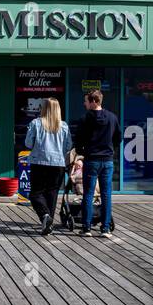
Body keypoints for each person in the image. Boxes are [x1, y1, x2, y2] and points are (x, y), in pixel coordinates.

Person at [74, 88, 118, 236]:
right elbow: (118, 138)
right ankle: (105, 228)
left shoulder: (85, 119)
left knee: (88, 193)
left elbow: (78, 140)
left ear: (93, 101)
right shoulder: (112, 118)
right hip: (107, 160)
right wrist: (110, 148)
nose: (84, 103)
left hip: (91, 160)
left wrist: (81, 152)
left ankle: (86, 228)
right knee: (106, 194)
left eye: (86, 101)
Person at [24, 97, 71, 235]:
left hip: (39, 162)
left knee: (35, 193)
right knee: (52, 192)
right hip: (58, 163)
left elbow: (28, 144)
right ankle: (48, 224)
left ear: (44, 108)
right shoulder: (64, 126)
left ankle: (45, 216)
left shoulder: (35, 123)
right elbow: (68, 146)